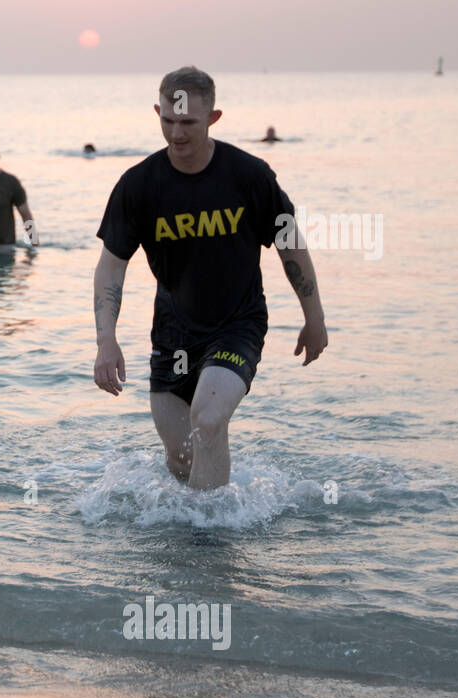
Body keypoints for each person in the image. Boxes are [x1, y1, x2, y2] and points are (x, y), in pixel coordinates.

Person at [91, 66, 328, 490]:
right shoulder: (138, 186)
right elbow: (111, 266)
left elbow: (290, 244)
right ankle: (199, 509)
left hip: (237, 325)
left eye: (188, 123)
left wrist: (315, 318)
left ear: (213, 118)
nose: (176, 133)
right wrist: (106, 340)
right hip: (173, 333)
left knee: (208, 419)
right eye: (167, 120)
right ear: (157, 112)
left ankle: (211, 538)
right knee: (181, 457)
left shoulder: (248, 176)